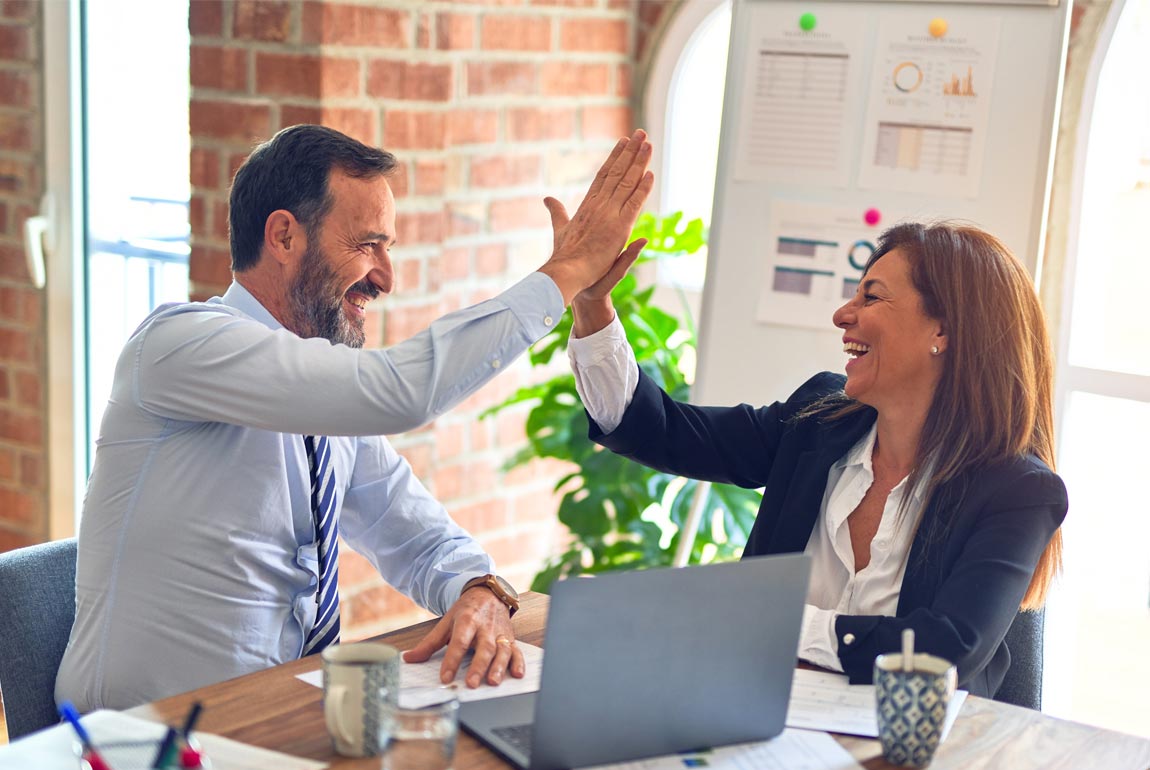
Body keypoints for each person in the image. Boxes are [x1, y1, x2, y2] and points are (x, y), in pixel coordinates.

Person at [56, 124, 653, 712]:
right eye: (368, 244)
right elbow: (401, 392)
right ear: (284, 237)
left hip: (277, 723)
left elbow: (414, 533)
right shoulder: (179, 345)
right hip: (139, 749)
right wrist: (567, 272)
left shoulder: (323, 402)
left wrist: (480, 589)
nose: (386, 277)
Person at [567, 221, 1067, 698]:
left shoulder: (1018, 491)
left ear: (943, 331)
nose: (843, 314)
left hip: (917, 757)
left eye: (871, 296)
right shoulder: (818, 421)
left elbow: (943, 652)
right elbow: (661, 431)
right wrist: (592, 305)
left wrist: (773, 621)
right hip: (760, 719)